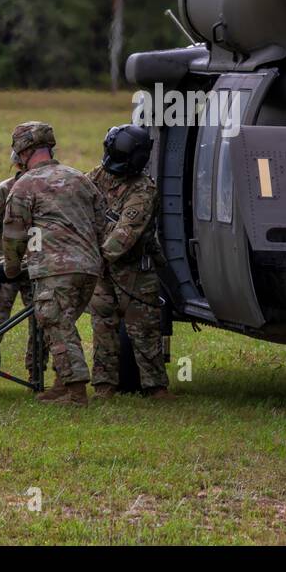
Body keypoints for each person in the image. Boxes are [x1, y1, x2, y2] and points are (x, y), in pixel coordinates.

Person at [1, 121, 104, 406]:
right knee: (65, 323)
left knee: (57, 326)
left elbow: (13, 234)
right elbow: (100, 222)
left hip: (55, 270)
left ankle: (76, 392)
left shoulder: (24, 185)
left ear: (22, 152)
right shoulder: (80, 178)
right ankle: (61, 384)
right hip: (88, 269)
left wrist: (11, 268)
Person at [87, 124, 172, 399]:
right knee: (103, 328)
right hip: (102, 271)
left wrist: (93, 260)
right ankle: (104, 386)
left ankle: (155, 388)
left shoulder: (143, 191)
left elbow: (125, 234)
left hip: (134, 271)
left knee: (144, 331)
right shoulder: (95, 178)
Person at [0, 161, 44, 383]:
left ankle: (36, 374)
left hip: (35, 265)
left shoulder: (46, 191)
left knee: (41, 321)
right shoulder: (4, 190)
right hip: (3, 265)